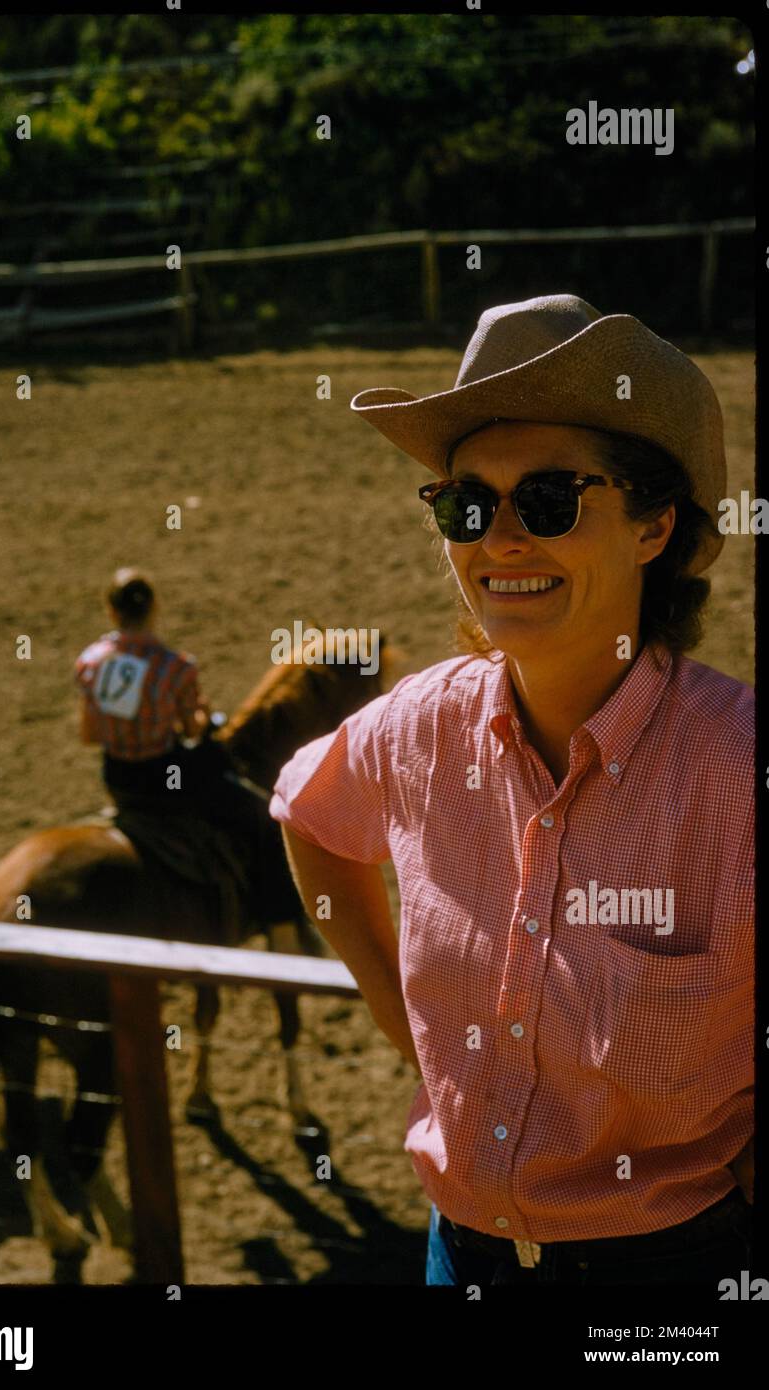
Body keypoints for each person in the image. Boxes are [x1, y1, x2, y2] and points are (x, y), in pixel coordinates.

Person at [269, 294, 754, 1286]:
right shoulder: (415, 727)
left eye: (546, 501)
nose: (497, 538)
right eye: (462, 503)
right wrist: (399, 1021)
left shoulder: (733, 766)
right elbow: (308, 818)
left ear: (653, 525)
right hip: (459, 1253)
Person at [74, 567, 211, 812]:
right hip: (164, 776)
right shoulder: (176, 667)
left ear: (111, 611)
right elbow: (192, 732)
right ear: (154, 607)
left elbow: (89, 736)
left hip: (117, 777)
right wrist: (204, 713)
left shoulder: (90, 662)